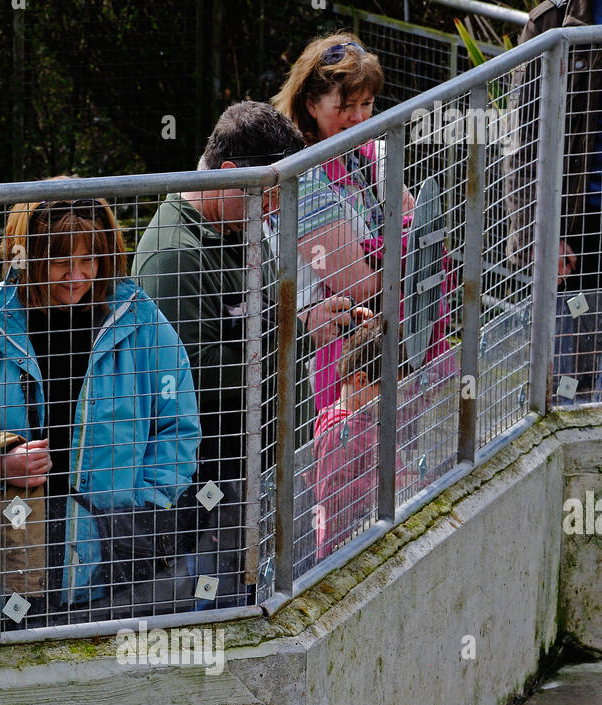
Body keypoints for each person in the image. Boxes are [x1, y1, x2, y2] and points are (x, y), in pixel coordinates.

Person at [0, 196, 200, 629]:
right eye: (59, 260)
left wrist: (145, 510)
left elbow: (178, 427)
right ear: (27, 254)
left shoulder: (143, 321)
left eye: (90, 258)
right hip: (4, 558)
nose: (75, 276)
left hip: (109, 563)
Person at [134, 101, 351, 607]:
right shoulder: (176, 254)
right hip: (211, 491)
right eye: (268, 191)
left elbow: (269, 316)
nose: (275, 205)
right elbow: (193, 380)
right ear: (230, 175)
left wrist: (307, 319)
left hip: (267, 471)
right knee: (220, 611)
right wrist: (295, 332)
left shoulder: (239, 225)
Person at [272, 34, 452, 416]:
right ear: (310, 105)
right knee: (350, 459)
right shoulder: (301, 178)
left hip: (386, 344)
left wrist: (399, 246)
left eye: (366, 104)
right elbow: (360, 284)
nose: (358, 117)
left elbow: (415, 222)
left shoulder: (371, 152)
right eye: (346, 105)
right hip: (334, 355)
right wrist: (401, 247)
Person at [506, 0, 602, 399]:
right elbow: (522, 144)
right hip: (578, 222)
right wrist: (538, 234)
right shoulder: (553, 20)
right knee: (568, 381)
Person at [300, 318, 412, 570]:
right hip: (340, 550)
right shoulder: (348, 432)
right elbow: (332, 495)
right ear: (362, 380)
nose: (395, 400)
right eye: (389, 390)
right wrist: (389, 484)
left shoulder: (341, 417)